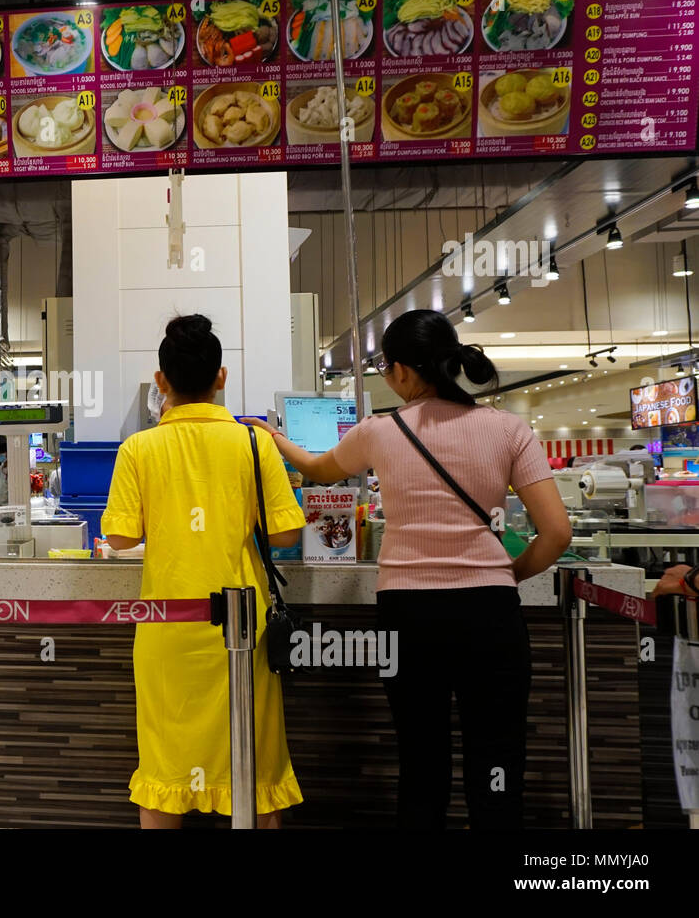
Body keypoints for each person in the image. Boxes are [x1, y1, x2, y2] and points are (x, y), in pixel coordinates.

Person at [244, 309, 571, 829]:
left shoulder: (380, 432)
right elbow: (556, 534)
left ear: (400, 371)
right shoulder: (509, 430)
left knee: (421, 760)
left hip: (408, 616)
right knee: (497, 761)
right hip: (490, 615)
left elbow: (314, 467)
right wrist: (505, 574)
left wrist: (267, 435)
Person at [102, 314, 305, 829]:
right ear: (222, 377)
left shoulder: (138, 449)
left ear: (161, 382)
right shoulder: (255, 444)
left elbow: (122, 537)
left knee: (166, 769)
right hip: (241, 629)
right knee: (253, 769)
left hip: (167, 629)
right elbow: (284, 535)